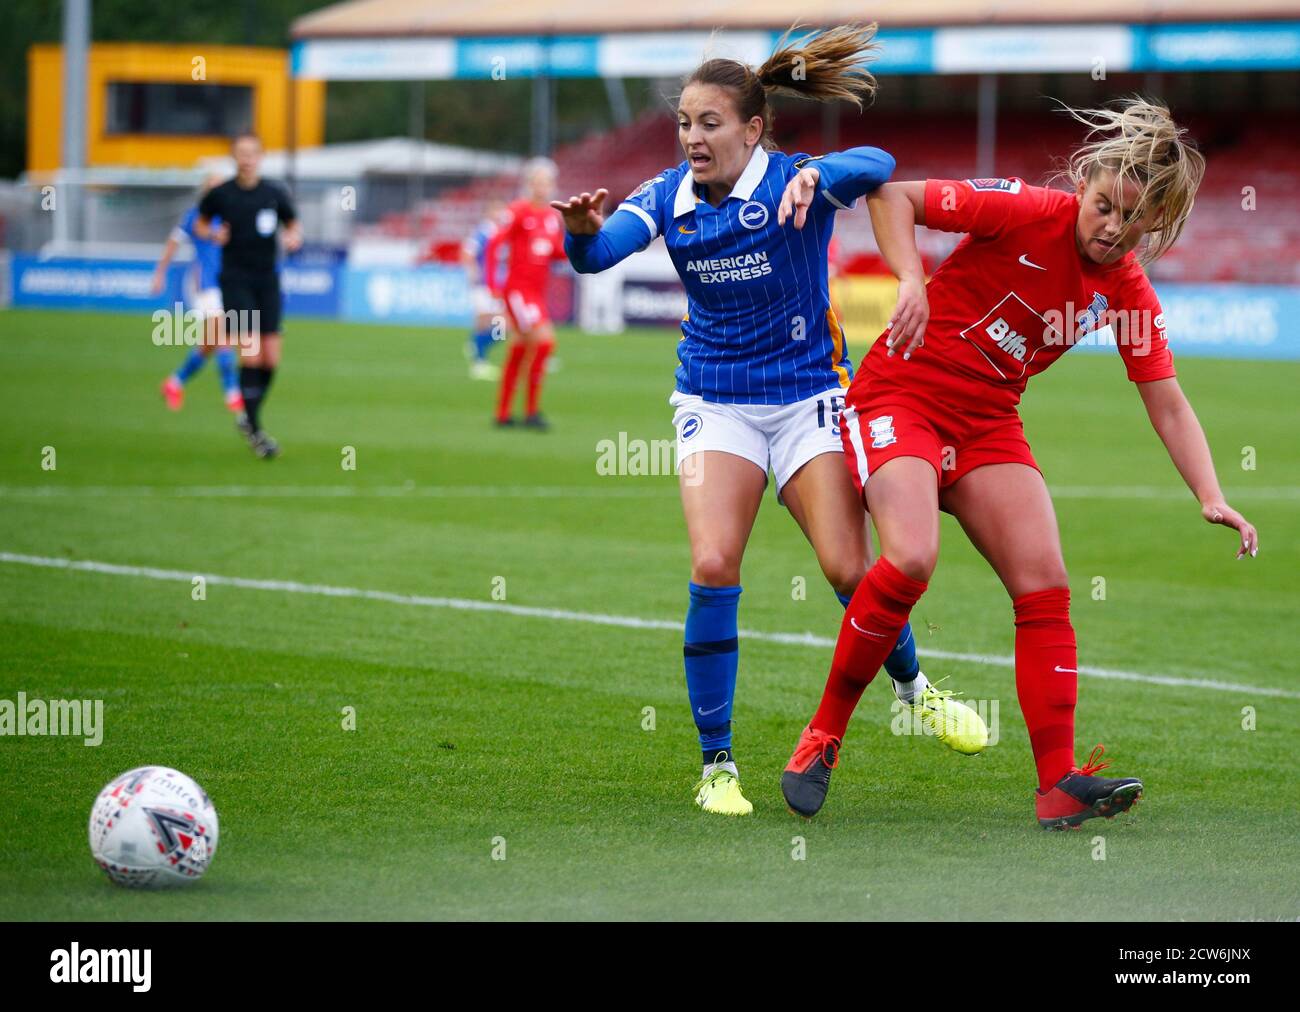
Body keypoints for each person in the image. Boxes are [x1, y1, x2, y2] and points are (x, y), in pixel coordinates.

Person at [779, 97, 1260, 829]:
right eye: (1103, 206)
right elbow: (893, 195)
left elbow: (1166, 401)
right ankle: (822, 736)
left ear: (1154, 229)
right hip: (900, 395)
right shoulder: (1026, 209)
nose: (1110, 228)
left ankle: (1057, 784)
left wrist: (1211, 493)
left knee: (1046, 583)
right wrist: (910, 280)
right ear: (1084, 184)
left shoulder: (1125, 288)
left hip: (987, 424)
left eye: (1132, 222)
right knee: (910, 560)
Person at [553, 24, 985, 817]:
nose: (692, 137)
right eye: (684, 122)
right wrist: (580, 232)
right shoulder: (664, 197)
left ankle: (914, 690)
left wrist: (819, 173)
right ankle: (717, 767)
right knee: (715, 563)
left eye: (709, 122)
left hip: (807, 398)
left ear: (752, 129)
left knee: (851, 573)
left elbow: (881, 167)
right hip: (714, 401)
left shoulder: (795, 180)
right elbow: (595, 255)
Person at [197, 132, 303, 459]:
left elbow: (292, 223)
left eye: (252, 153)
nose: (247, 159)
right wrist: (213, 233)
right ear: (234, 156)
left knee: (271, 358)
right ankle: (255, 429)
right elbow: (199, 225)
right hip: (235, 280)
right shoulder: (221, 194)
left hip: (267, 280)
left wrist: (293, 237)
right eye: (241, 153)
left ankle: (248, 416)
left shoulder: (273, 192)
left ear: (261, 156)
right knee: (251, 352)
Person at [485, 159, 568, 429]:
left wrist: (583, 242)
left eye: (547, 182)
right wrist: (492, 285)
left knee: (520, 349)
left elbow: (557, 252)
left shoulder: (552, 217)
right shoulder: (518, 211)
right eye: (537, 182)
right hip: (519, 292)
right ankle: (531, 413)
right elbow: (493, 244)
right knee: (544, 343)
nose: (542, 188)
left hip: (536, 292)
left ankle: (503, 414)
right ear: (529, 184)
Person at [153, 175, 243, 413]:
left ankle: (175, 382)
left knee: (208, 344)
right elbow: (174, 241)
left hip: (228, 284)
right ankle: (233, 394)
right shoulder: (196, 215)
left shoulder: (230, 215)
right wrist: (160, 273)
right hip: (205, 285)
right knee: (224, 336)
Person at [461, 200, 507, 381]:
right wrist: (473, 271)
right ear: (488, 212)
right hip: (483, 285)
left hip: (496, 285)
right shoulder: (484, 231)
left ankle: (475, 347)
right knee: (491, 323)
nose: (500, 214)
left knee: (499, 329)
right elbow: (467, 253)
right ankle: (478, 361)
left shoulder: (500, 232)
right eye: (497, 210)